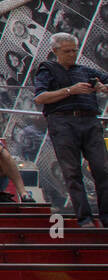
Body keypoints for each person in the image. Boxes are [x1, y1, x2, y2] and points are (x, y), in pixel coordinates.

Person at [33, 32, 108, 226]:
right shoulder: (47, 69)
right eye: (67, 51)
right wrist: (70, 91)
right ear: (55, 51)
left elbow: (105, 81)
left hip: (90, 120)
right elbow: (40, 98)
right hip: (62, 122)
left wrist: (102, 86)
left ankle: (105, 215)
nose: (72, 55)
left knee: (102, 169)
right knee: (72, 171)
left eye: (74, 51)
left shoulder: (85, 70)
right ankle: (84, 217)